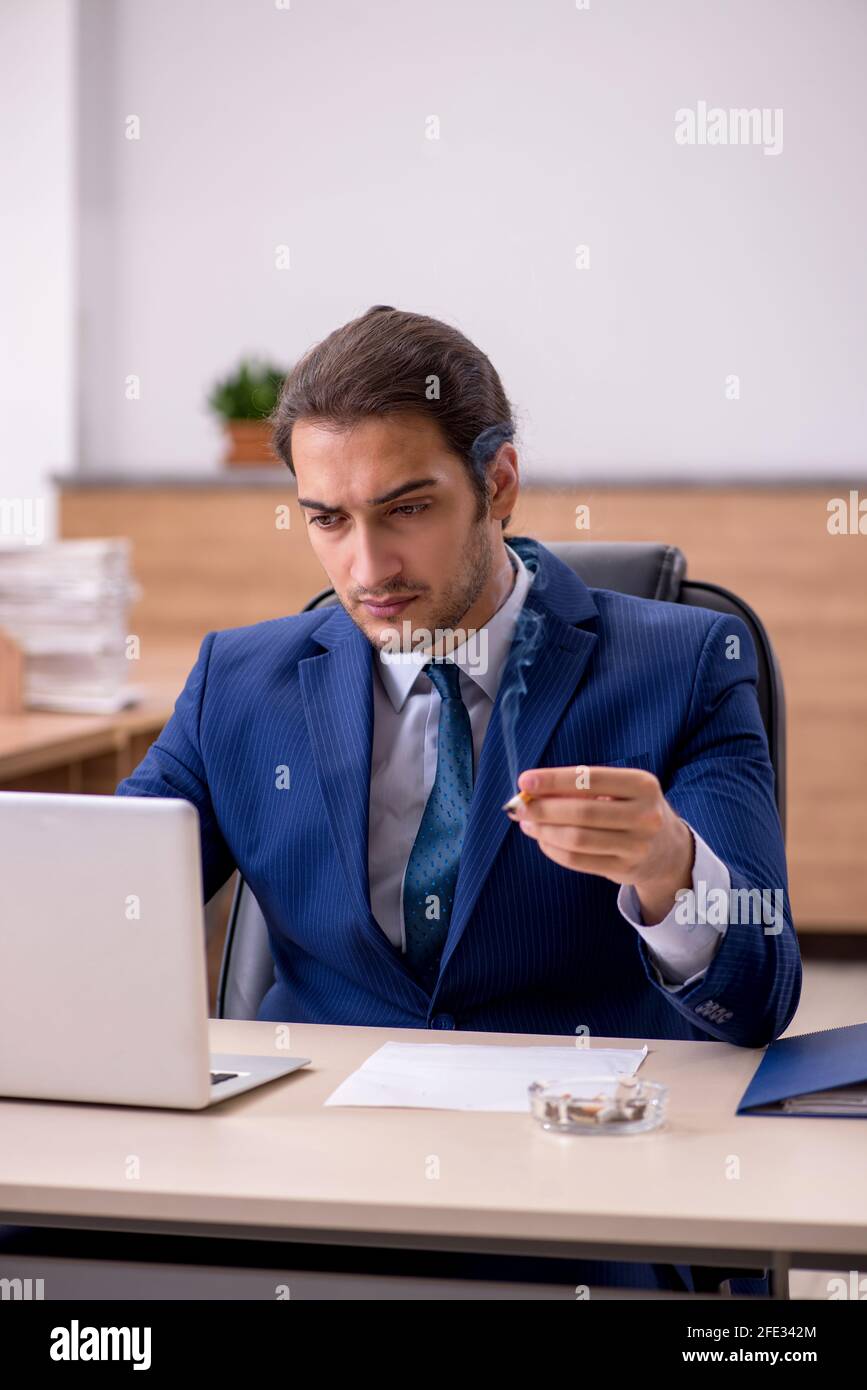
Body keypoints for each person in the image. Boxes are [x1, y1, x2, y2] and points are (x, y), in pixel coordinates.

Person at [117, 306, 800, 1295]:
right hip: (300, 1175)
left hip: (578, 1196)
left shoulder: (682, 665)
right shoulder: (241, 680)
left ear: (499, 486)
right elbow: (105, 892)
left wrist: (671, 869)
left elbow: (763, 990)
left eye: (407, 509)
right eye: (328, 519)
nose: (366, 568)